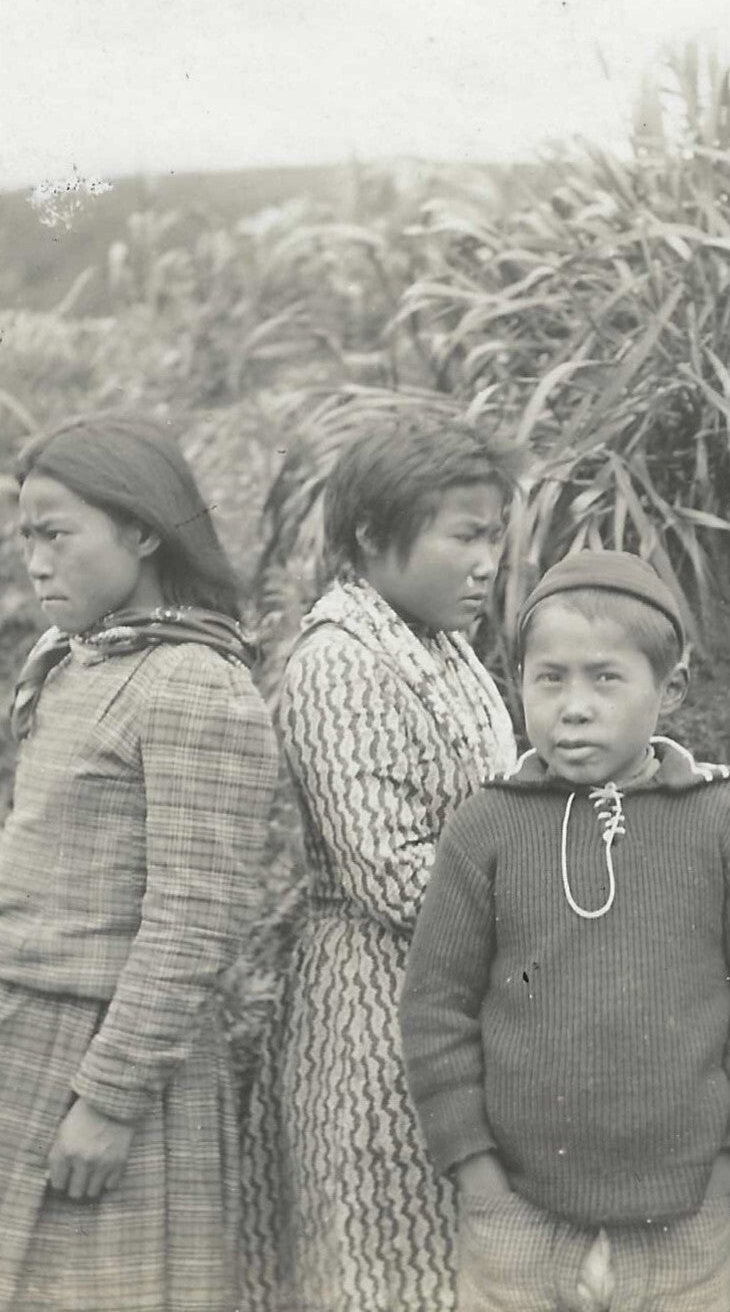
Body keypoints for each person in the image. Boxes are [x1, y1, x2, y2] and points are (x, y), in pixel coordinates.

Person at [0, 413, 279, 1312]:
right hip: (6, 1029)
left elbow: (196, 919)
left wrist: (110, 1101)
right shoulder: (78, 663)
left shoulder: (193, 684)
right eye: (25, 539)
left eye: (56, 535)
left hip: (103, 1052)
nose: (35, 563)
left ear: (144, 531)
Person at [402, 550, 730, 1312]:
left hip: (683, 1212)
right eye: (549, 678)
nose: (574, 706)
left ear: (670, 688)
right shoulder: (486, 826)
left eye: (605, 678)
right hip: (518, 1214)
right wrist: (474, 1167)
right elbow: (435, 1005)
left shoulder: (724, 821)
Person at [238, 414, 523, 1311]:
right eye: (465, 537)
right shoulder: (339, 661)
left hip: (458, 992)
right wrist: (548, 901)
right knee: (381, 1258)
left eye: (494, 538)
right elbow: (394, 874)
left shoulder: (443, 647)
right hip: (376, 1010)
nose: (486, 563)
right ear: (370, 534)